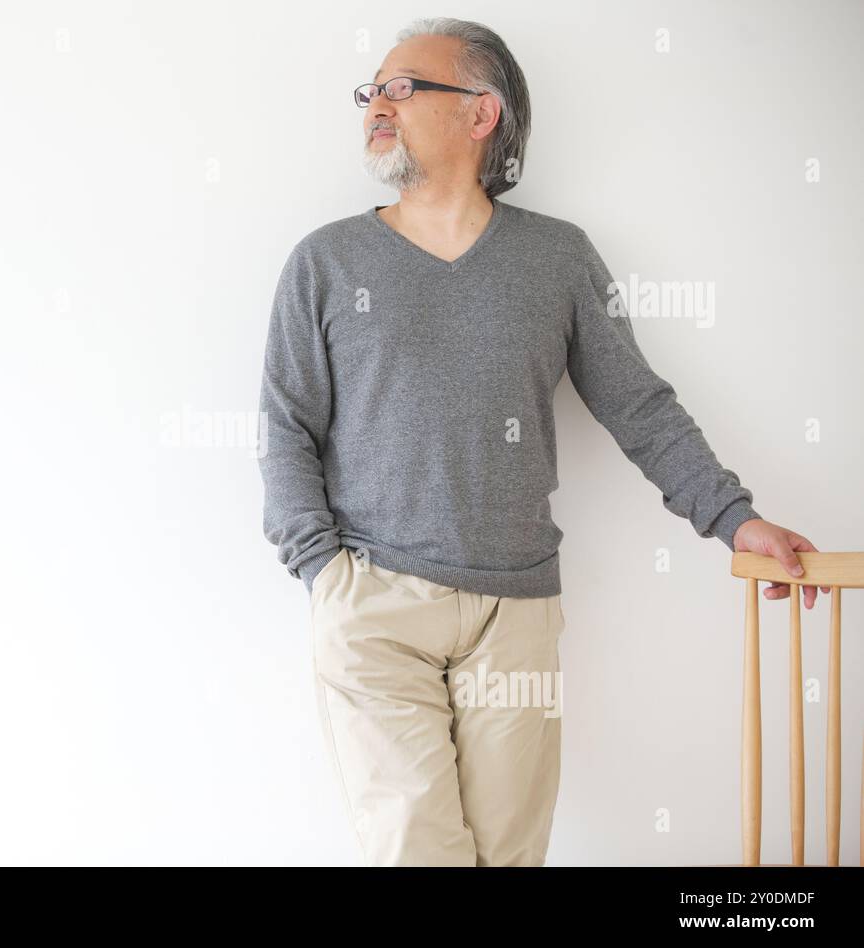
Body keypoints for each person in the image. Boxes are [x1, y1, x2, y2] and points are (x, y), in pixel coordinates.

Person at [255, 16, 826, 866]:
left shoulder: (557, 259)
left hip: (515, 610)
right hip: (372, 601)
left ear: (482, 114)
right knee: (416, 848)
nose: (376, 103)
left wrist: (735, 520)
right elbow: (285, 425)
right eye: (370, 89)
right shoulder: (325, 262)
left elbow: (640, 407)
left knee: (508, 856)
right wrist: (323, 573)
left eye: (403, 86)